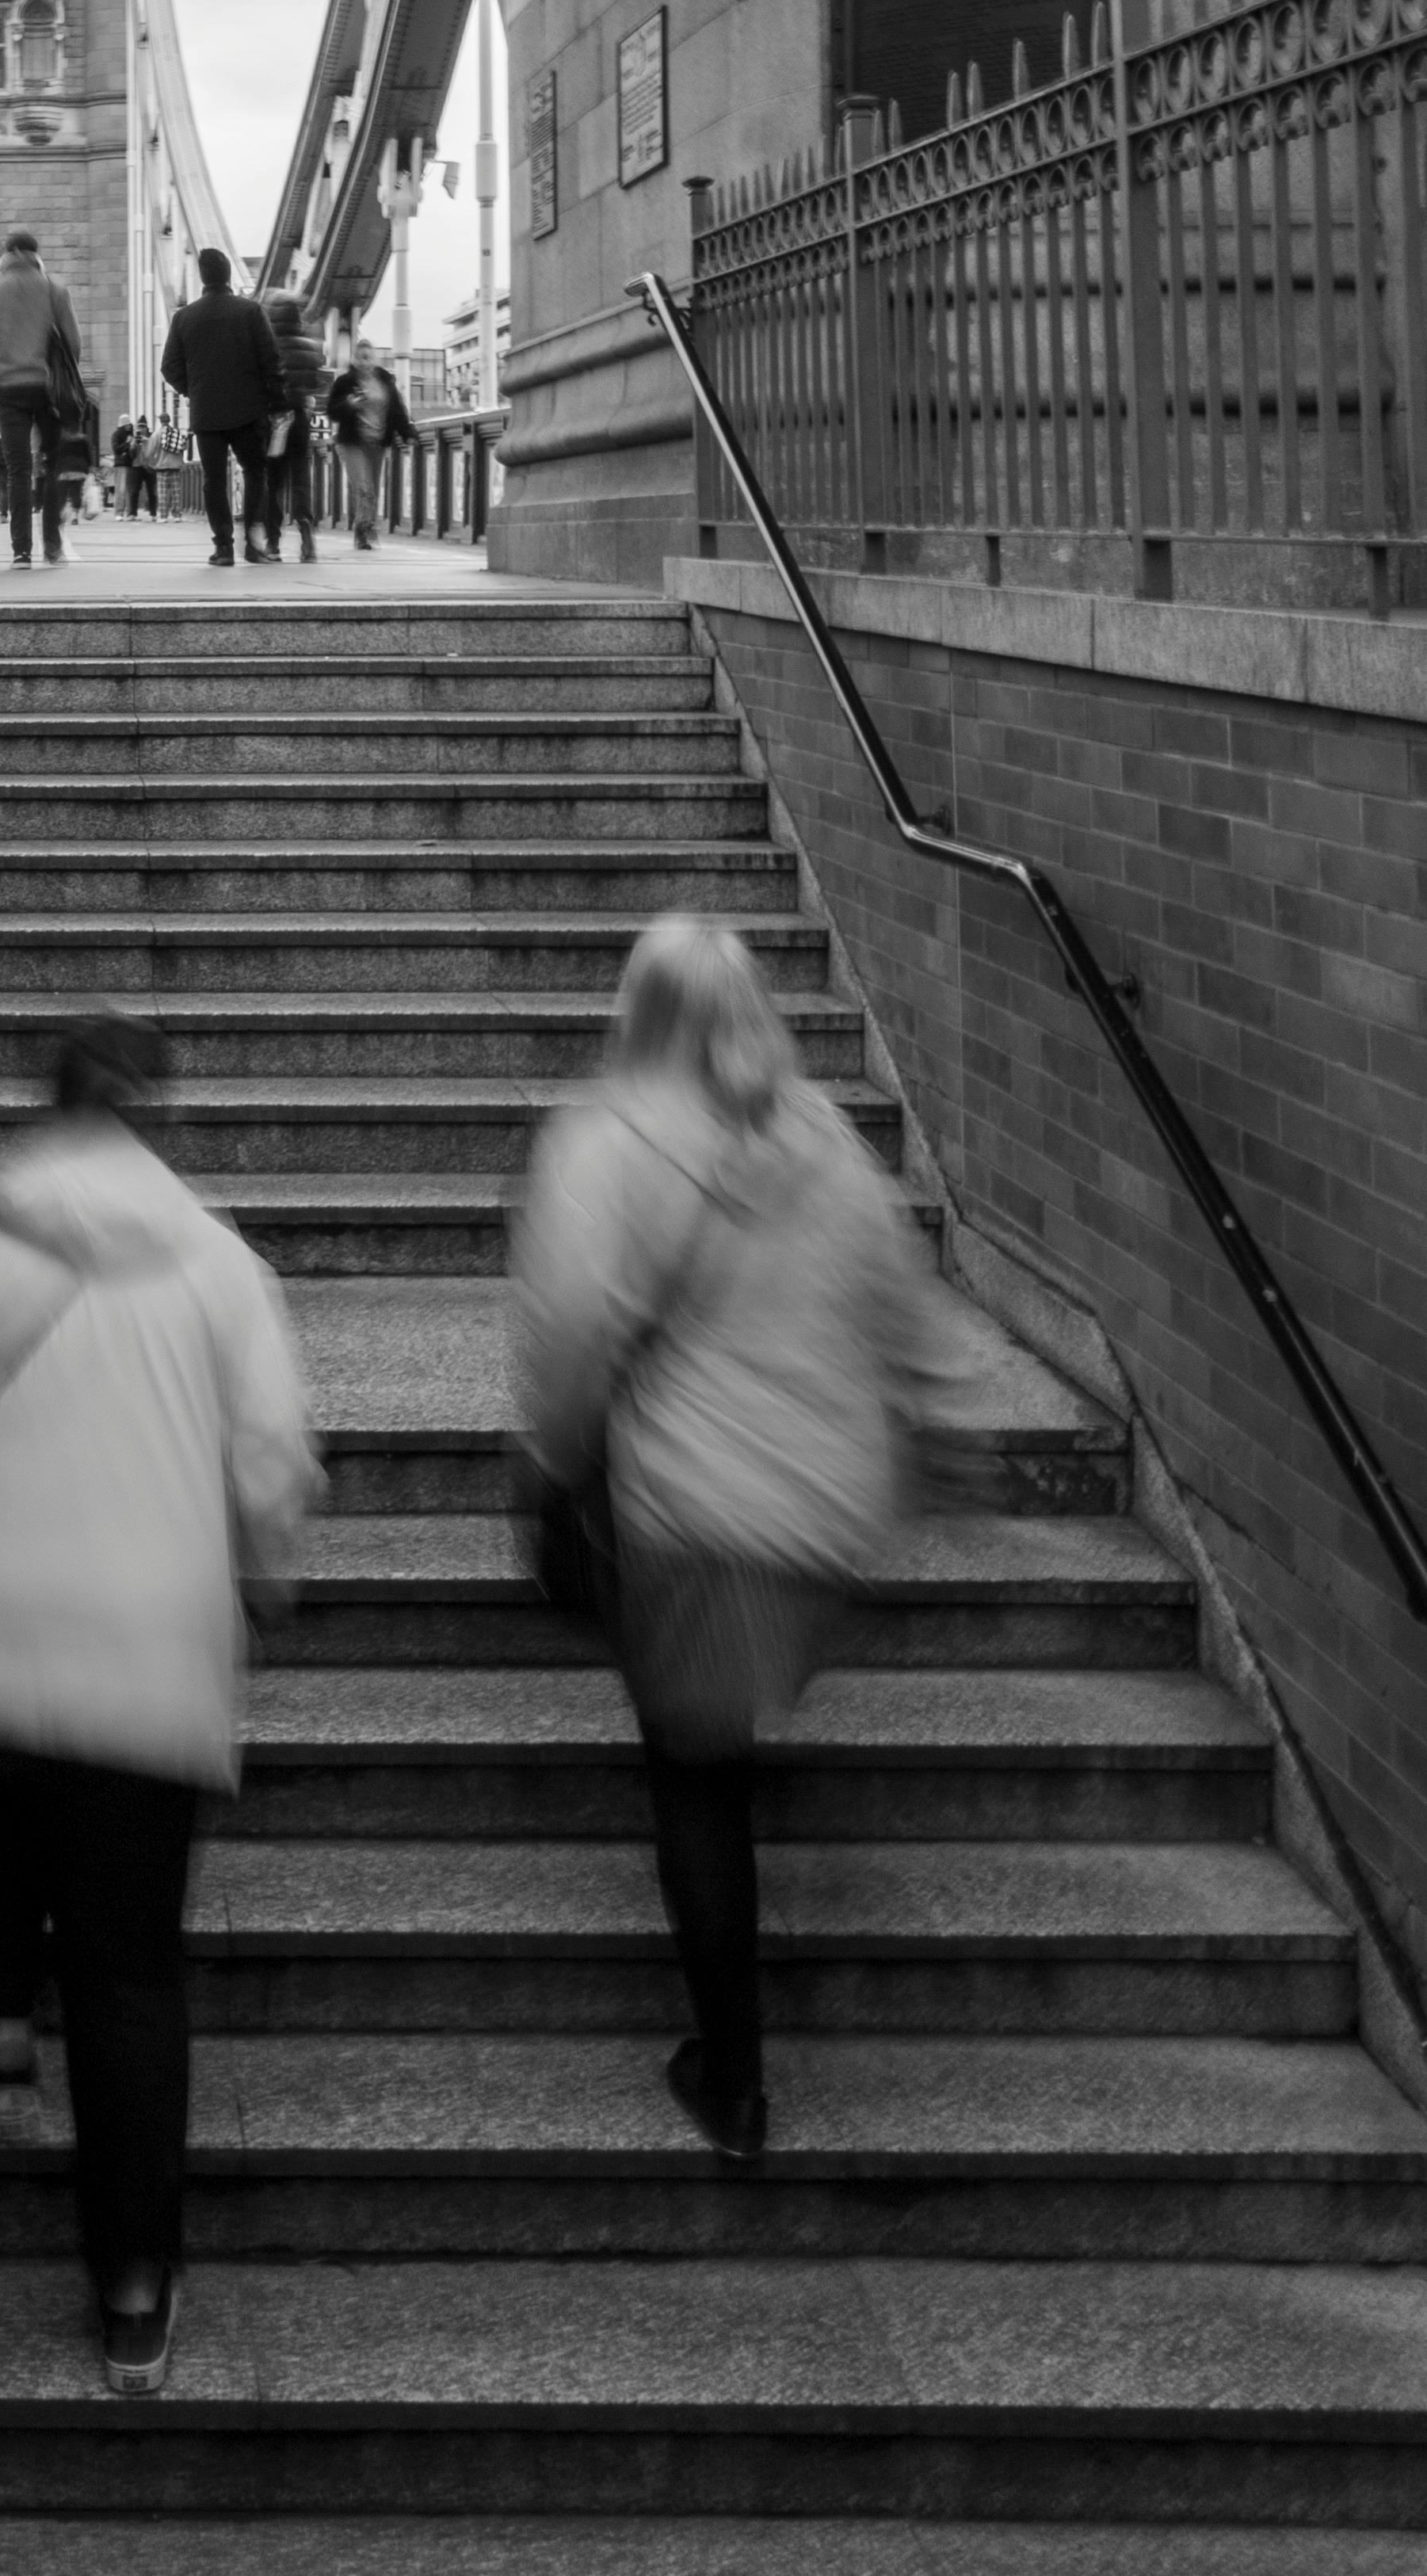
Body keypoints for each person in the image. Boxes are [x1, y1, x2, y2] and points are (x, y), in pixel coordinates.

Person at [0, 1009, 321, 2395]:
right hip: (140, 1641)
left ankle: (0, 2032)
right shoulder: (218, 1260)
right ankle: (130, 2290)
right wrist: (263, 1565)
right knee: (127, 1969)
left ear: (48, 1110)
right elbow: (271, 1457)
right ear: (146, 1117)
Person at [512, 917, 962, 2162]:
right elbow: (900, 1299)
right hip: (821, 1512)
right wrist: (934, 1416)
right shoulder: (818, 1130)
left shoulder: (607, 1140)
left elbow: (570, 1339)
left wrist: (549, 1469)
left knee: (694, 1776)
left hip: (699, 1513)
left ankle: (737, 2080)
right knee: (717, 1734)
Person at [159, 246, 287, 569]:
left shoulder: (184, 317)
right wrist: (275, 401)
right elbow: (271, 361)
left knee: (213, 480)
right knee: (256, 472)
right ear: (229, 275)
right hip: (249, 409)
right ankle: (253, 542)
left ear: (202, 278)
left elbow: (170, 367)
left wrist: (194, 390)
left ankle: (224, 547)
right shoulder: (250, 311)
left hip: (208, 413)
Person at [0, 225, 83, 571]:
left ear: (6, 255)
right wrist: (64, 375)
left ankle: (21, 552)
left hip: (7, 389)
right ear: (36, 255)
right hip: (48, 388)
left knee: (18, 469)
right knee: (52, 466)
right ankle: (53, 548)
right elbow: (73, 343)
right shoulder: (54, 288)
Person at [324, 333, 412, 548]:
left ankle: (367, 527)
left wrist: (408, 433)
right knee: (364, 487)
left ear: (375, 359)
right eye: (361, 358)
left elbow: (397, 411)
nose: (365, 362)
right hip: (352, 442)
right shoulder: (345, 382)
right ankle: (363, 530)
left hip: (377, 443)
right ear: (354, 360)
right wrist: (349, 405)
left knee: (373, 489)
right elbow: (331, 411)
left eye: (368, 358)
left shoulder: (385, 382)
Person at [260, 295, 327, 562]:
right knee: (301, 480)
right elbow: (315, 383)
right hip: (299, 419)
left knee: (274, 482)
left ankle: (273, 543)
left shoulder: (267, 347)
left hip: (274, 420)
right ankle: (306, 531)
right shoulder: (309, 347)